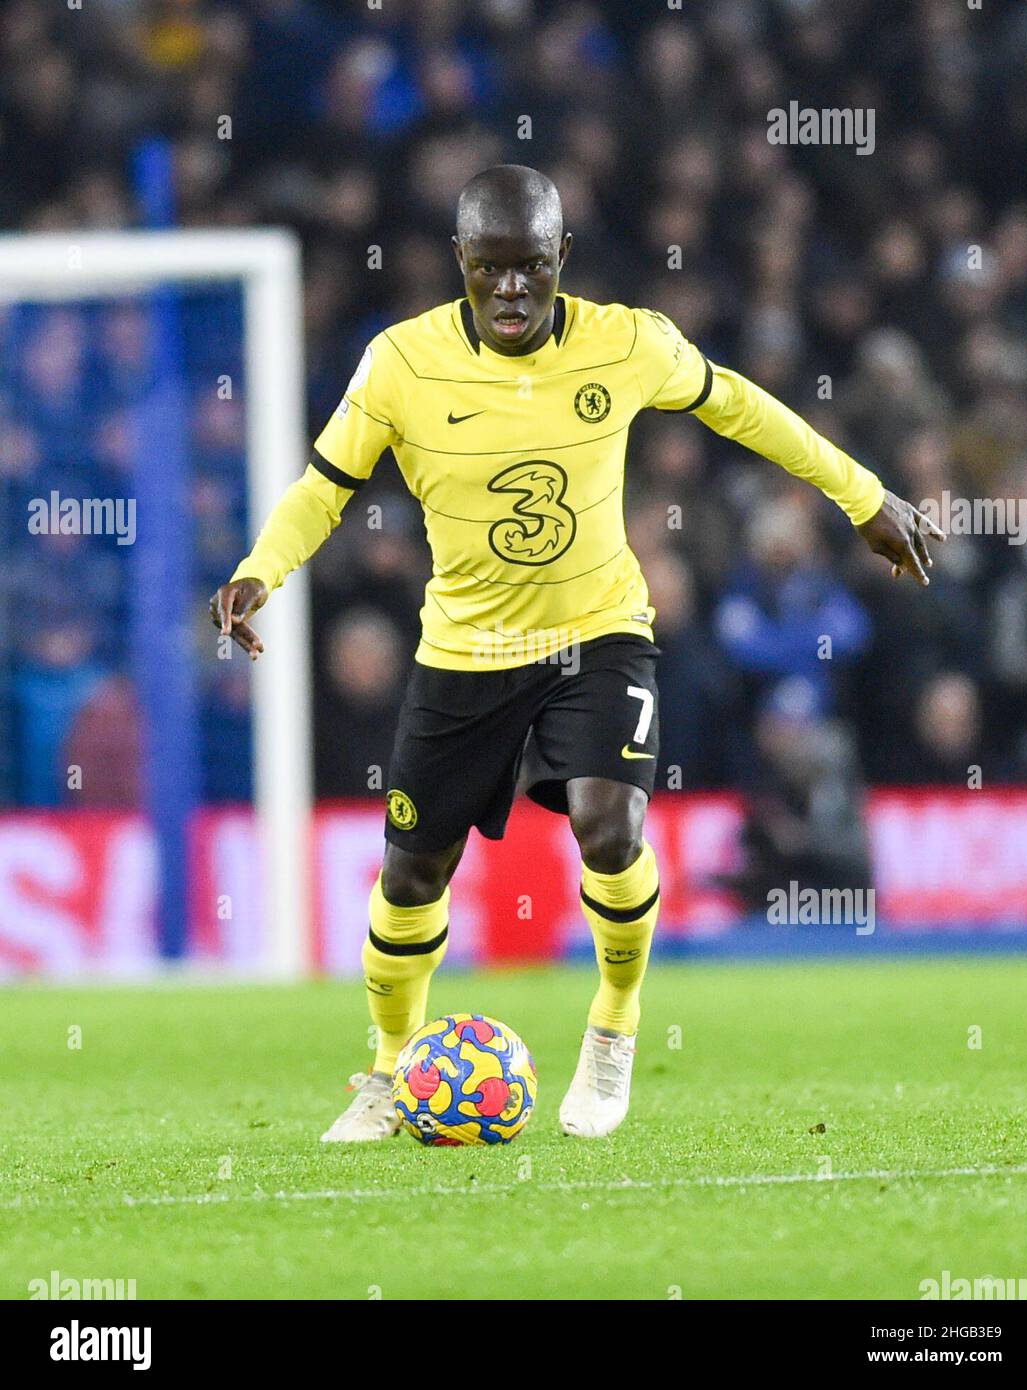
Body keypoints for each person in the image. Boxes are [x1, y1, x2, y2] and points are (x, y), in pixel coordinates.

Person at [210, 164, 943, 1142]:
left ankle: (612, 1025)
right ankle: (387, 1071)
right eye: (489, 268)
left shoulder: (626, 342)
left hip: (597, 634)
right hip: (465, 651)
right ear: (460, 262)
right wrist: (260, 568)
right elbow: (322, 488)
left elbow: (740, 406)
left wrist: (861, 495)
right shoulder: (400, 364)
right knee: (411, 877)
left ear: (563, 255)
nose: (511, 289)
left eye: (531, 266)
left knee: (609, 829)